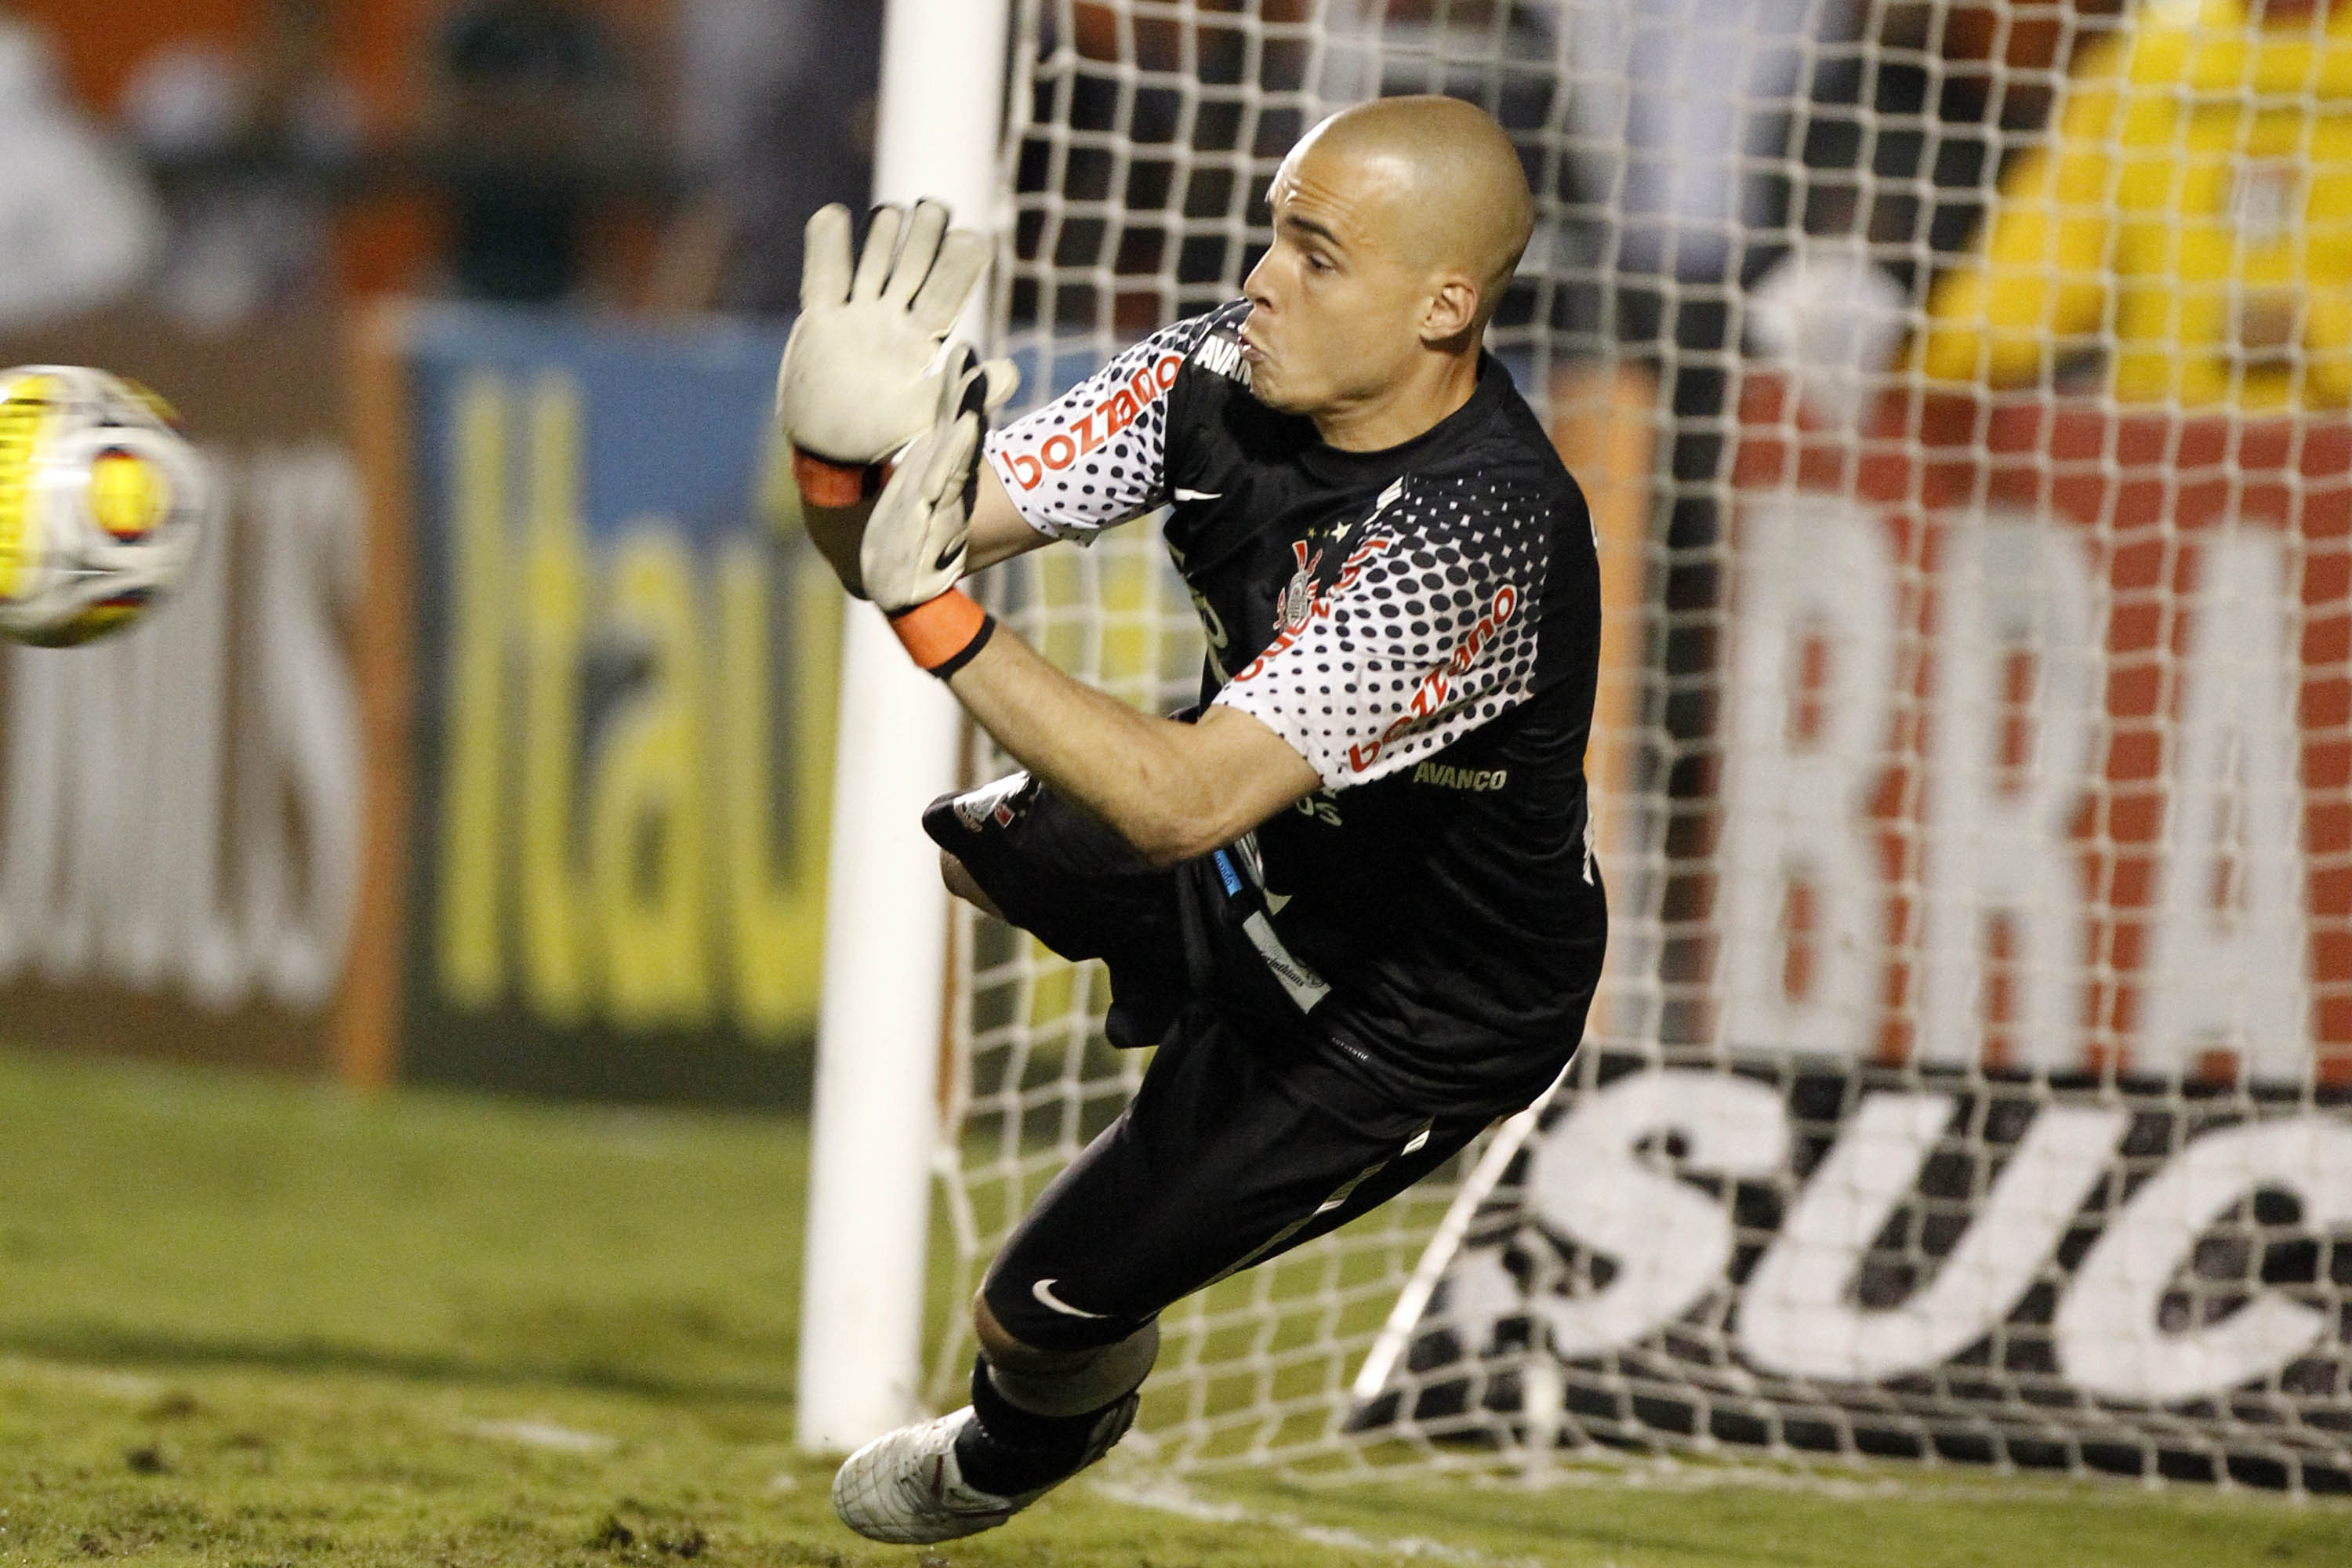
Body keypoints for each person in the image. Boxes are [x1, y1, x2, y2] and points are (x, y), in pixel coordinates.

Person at [774, 95, 1608, 1543]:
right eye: (1275, 232)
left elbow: (1183, 800)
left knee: (1029, 1316)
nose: (1265, 276)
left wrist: (938, 617)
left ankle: (1031, 1438)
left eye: (1319, 254)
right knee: (979, 841)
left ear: (1443, 305)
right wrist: (840, 469)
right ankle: (1179, 978)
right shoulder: (1208, 369)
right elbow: (909, 548)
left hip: (1413, 1009)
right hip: (1262, 861)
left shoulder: (1480, 533)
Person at [1917, 0, 2352, 410]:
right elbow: (2042, 257)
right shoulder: (2152, 51)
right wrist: (1927, 364)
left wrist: (2319, 331)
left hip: (2331, 453)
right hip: (2159, 452)